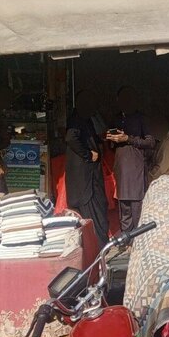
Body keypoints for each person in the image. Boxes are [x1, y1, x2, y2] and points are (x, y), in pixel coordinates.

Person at [108, 86, 156, 233]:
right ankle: (127, 241)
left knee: (137, 207)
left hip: (135, 168)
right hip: (121, 169)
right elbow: (111, 145)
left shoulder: (141, 118)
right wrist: (112, 139)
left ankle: (138, 240)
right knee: (124, 208)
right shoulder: (116, 118)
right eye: (122, 99)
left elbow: (151, 142)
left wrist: (129, 138)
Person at [65, 90, 109, 247]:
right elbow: (71, 138)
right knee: (92, 214)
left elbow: (90, 137)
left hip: (90, 176)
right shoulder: (76, 120)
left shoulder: (86, 119)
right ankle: (96, 247)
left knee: (99, 210)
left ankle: (100, 245)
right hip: (85, 180)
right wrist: (88, 154)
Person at [148, 116, 169, 182]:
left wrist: (147, 177)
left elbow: (161, 168)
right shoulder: (164, 141)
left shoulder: (168, 143)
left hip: (166, 185)